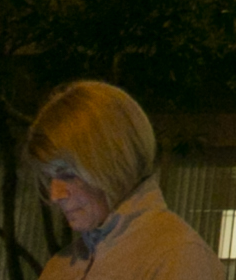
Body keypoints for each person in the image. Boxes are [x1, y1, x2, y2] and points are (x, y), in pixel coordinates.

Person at [24, 78, 223, 279]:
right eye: (50, 177)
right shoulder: (60, 267)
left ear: (114, 162)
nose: (55, 195)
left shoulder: (177, 255)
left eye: (68, 174)